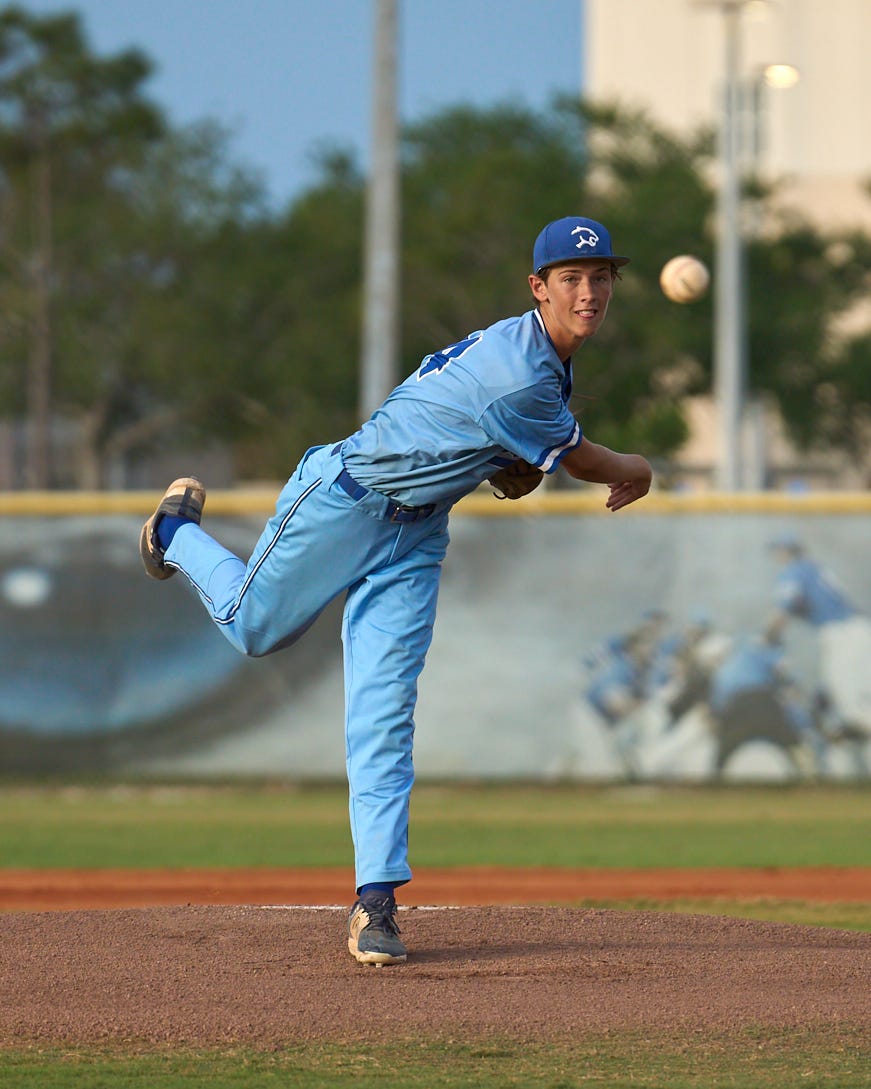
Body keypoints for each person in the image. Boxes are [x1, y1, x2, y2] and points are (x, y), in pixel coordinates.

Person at [139, 216, 653, 965]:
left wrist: (493, 457)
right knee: (253, 629)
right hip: (343, 503)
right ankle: (174, 535)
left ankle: (374, 903)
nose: (589, 291)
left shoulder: (534, 354)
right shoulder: (519, 371)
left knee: (383, 712)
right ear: (537, 287)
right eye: (571, 278)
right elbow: (581, 461)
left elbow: (481, 436)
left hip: (414, 535)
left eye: (600, 275)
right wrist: (635, 465)